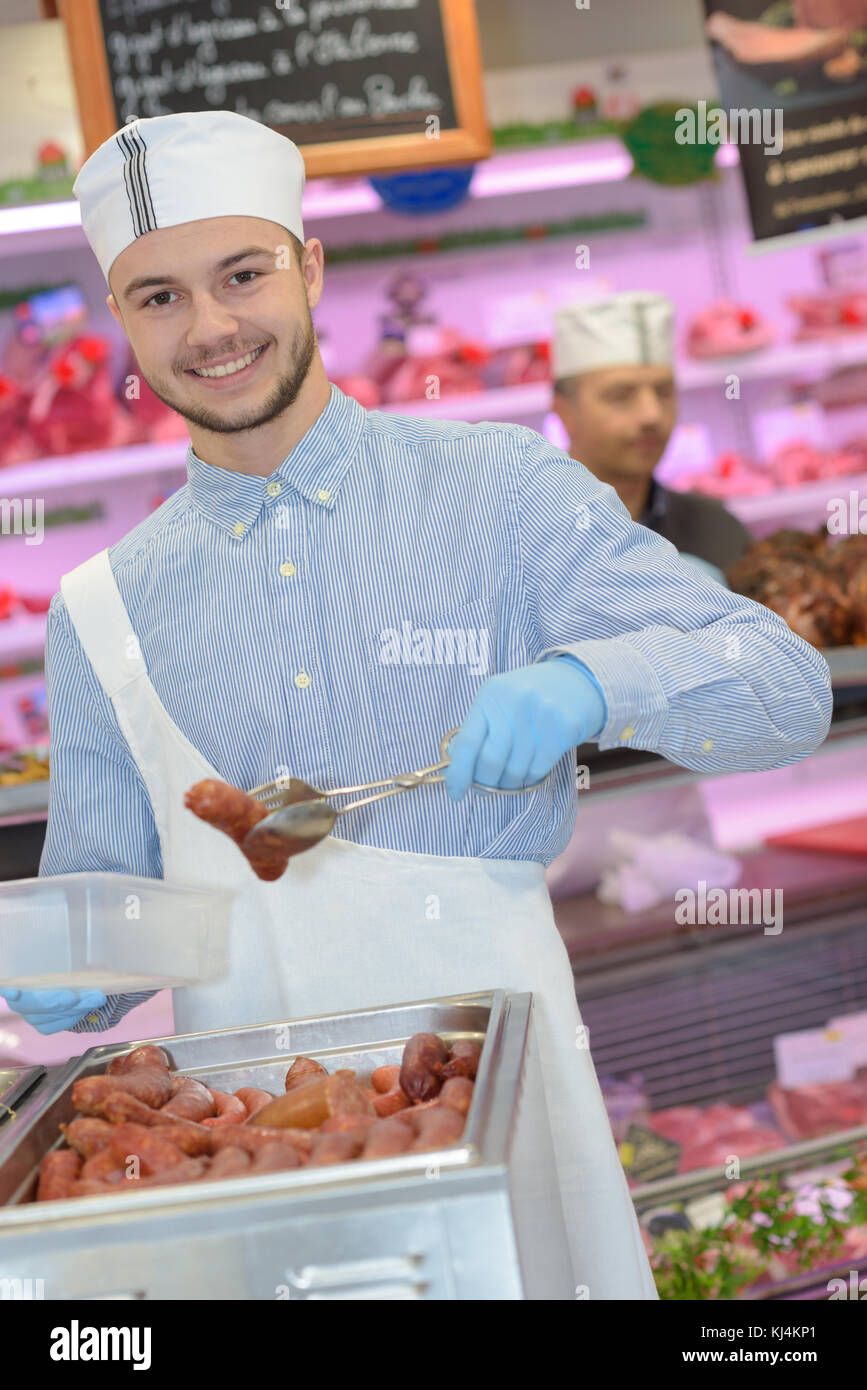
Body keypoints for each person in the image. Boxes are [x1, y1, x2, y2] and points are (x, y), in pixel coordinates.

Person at [2, 113, 832, 1300]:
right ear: (123, 325)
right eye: (160, 298)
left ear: (310, 267)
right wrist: (72, 977)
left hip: (515, 1151)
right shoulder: (97, 610)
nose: (213, 327)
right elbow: (129, 921)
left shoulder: (499, 489)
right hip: (250, 1168)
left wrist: (594, 681)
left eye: (243, 274)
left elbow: (790, 691)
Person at [551, 291, 752, 581]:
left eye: (663, 392)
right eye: (621, 395)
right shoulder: (525, 539)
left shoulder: (717, 531)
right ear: (564, 411)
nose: (652, 415)